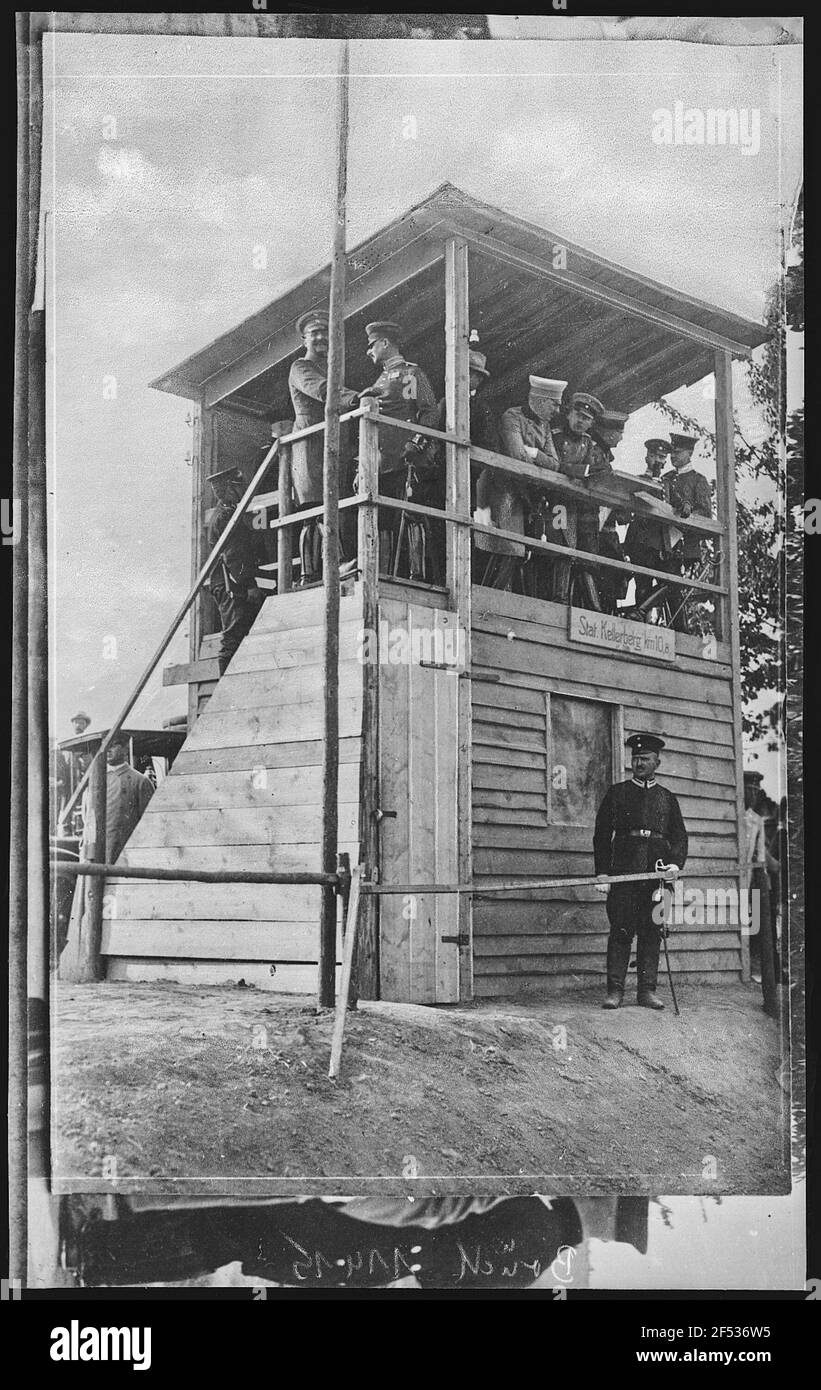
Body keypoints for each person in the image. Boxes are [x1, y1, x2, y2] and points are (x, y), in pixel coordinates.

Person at [593, 733, 688, 1010]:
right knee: (621, 930)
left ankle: (646, 992)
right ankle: (615, 992)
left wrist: (674, 865)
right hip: (623, 872)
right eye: (635, 758)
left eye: (645, 759)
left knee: (651, 931)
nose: (639, 763)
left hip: (655, 874)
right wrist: (602, 873)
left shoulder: (667, 798)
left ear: (657, 762)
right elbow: (601, 836)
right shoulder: (618, 793)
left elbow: (680, 837)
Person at [358, 320, 440, 575]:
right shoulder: (382, 378)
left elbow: (429, 412)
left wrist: (416, 443)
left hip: (407, 459)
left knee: (411, 515)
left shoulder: (410, 374)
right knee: (384, 519)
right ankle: (381, 573)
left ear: (385, 343)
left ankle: (418, 573)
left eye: (372, 345)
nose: (368, 351)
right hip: (384, 463)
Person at [288, 310, 360, 584]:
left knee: (328, 507)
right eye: (314, 333)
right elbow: (321, 390)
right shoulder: (301, 367)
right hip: (310, 447)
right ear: (304, 339)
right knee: (315, 508)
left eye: (325, 333)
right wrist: (356, 398)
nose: (320, 338)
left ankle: (317, 571)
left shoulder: (329, 371)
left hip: (331, 447)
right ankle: (328, 566)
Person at [499, 376, 566, 597]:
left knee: (526, 552)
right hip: (507, 494)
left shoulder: (545, 427)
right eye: (554, 404)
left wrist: (535, 453)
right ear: (540, 400)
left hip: (529, 496)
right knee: (508, 550)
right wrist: (538, 459)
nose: (557, 410)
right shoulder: (512, 416)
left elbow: (555, 464)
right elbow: (517, 454)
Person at [205, 467, 267, 675]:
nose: (241, 490)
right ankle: (225, 689)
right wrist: (250, 585)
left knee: (239, 633)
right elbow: (234, 554)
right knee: (233, 636)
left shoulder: (226, 514)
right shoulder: (226, 516)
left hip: (230, 582)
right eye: (237, 486)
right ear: (229, 489)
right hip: (231, 584)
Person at [548, 390, 606, 605]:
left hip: (579, 507)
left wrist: (585, 471)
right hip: (556, 503)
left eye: (587, 419)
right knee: (561, 546)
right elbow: (554, 463)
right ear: (569, 414)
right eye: (578, 415)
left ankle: (590, 606)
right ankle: (559, 598)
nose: (581, 422)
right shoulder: (554, 436)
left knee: (586, 553)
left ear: (591, 423)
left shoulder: (590, 444)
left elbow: (601, 470)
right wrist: (579, 470)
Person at [661, 432, 713, 632]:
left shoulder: (698, 479)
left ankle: (680, 631)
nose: (673, 456)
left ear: (690, 453)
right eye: (672, 452)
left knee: (673, 587)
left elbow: (705, 513)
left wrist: (689, 510)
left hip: (683, 543)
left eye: (678, 452)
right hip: (664, 540)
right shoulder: (666, 478)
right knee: (662, 582)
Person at [622, 438, 671, 610]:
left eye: (662, 457)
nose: (658, 461)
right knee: (642, 584)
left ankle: (642, 614)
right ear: (647, 457)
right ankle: (640, 620)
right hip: (640, 539)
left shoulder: (668, 485)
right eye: (654, 456)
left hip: (662, 542)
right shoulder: (638, 480)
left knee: (669, 583)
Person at [588, 409, 629, 613]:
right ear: (610, 433)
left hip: (603, 524)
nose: (621, 438)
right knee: (605, 573)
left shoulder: (602, 454)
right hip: (596, 524)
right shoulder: (595, 452)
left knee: (612, 574)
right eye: (620, 433)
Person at [743, 768, 777, 1015]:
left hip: (749, 878)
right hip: (733, 877)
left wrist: (763, 883)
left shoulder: (755, 819)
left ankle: (759, 971)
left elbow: (761, 856)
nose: (752, 794)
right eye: (749, 789)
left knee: (755, 925)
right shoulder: (734, 816)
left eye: (756, 790)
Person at [105, 736, 154, 863]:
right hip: (99, 853)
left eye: (113, 745)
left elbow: (149, 825)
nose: (108, 749)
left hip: (126, 856)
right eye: (106, 745)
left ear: (125, 749)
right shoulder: (98, 780)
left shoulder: (140, 781)